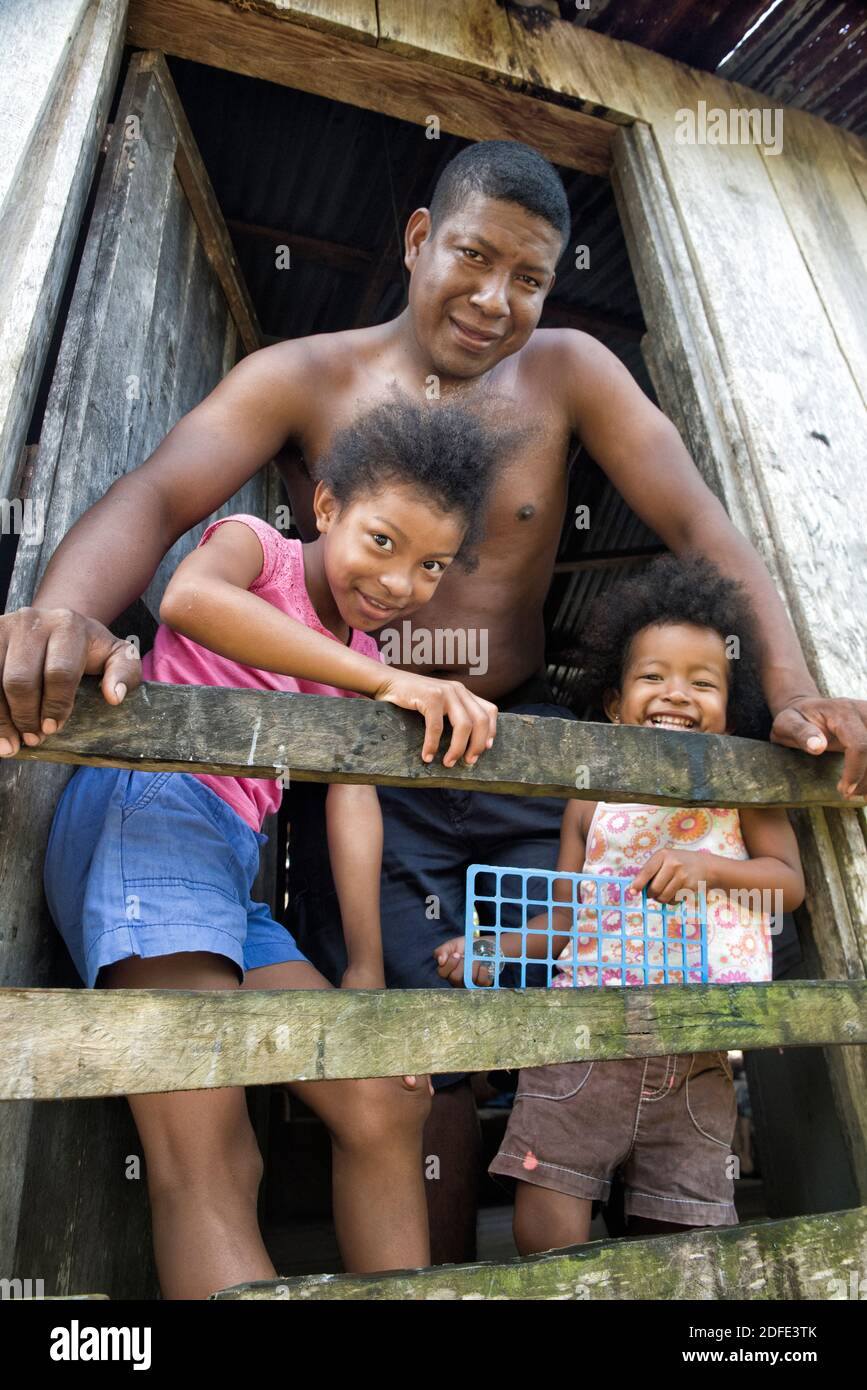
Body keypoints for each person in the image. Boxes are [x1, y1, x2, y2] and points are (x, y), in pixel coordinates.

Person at [2, 139, 863, 1264]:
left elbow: (706, 527)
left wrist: (796, 694)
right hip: (357, 758)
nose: (497, 299)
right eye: (472, 256)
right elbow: (160, 493)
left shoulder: (571, 372)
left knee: (563, 990)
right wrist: (61, 610)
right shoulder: (306, 376)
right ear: (418, 240)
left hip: (512, 753)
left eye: (530, 276)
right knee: (412, 1047)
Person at [41, 397, 506, 1299]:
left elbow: (351, 800)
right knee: (210, 1158)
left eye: (431, 565)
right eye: (383, 541)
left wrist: (365, 972)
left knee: (382, 1099)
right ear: (327, 507)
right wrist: (383, 679)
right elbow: (189, 598)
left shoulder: (358, 650)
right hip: (155, 813)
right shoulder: (259, 546)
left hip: (225, 865)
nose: (401, 581)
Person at [435, 555, 805, 1252]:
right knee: (548, 1208)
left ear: (729, 707)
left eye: (703, 682)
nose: (677, 694)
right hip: (584, 1036)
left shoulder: (741, 787)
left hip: (694, 1049)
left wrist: (710, 869)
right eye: (652, 677)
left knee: (685, 1223)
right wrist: (492, 950)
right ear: (614, 703)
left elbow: (787, 883)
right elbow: (571, 916)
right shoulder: (591, 798)